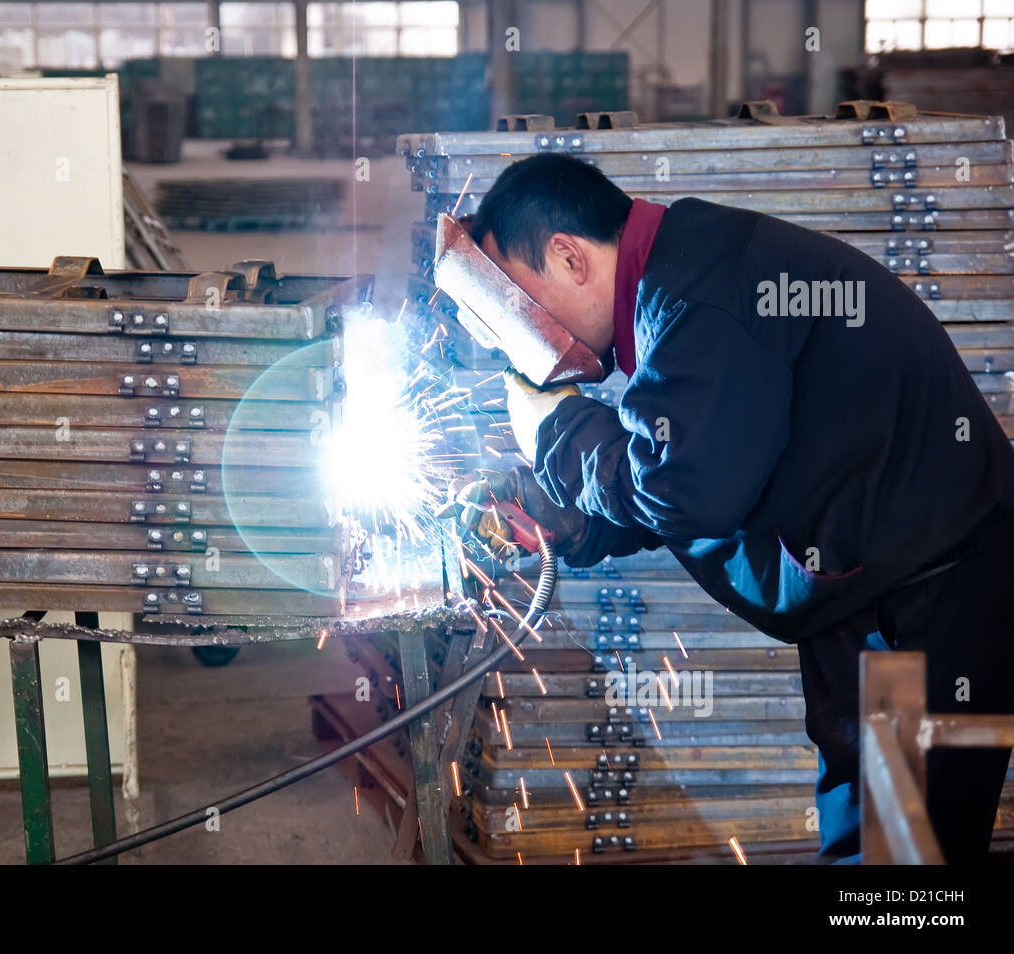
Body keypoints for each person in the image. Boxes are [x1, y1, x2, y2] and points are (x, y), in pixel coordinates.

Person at [435, 152, 1014, 863]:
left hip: (932, 605)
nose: (526, 338)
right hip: (880, 590)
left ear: (568, 257)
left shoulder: (697, 298)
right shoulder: (687, 276)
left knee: (906, 869)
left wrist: (557, 430)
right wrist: (561, 516)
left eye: (521, 299)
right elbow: (691, 466)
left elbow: (687, 494)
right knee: (874, 849)